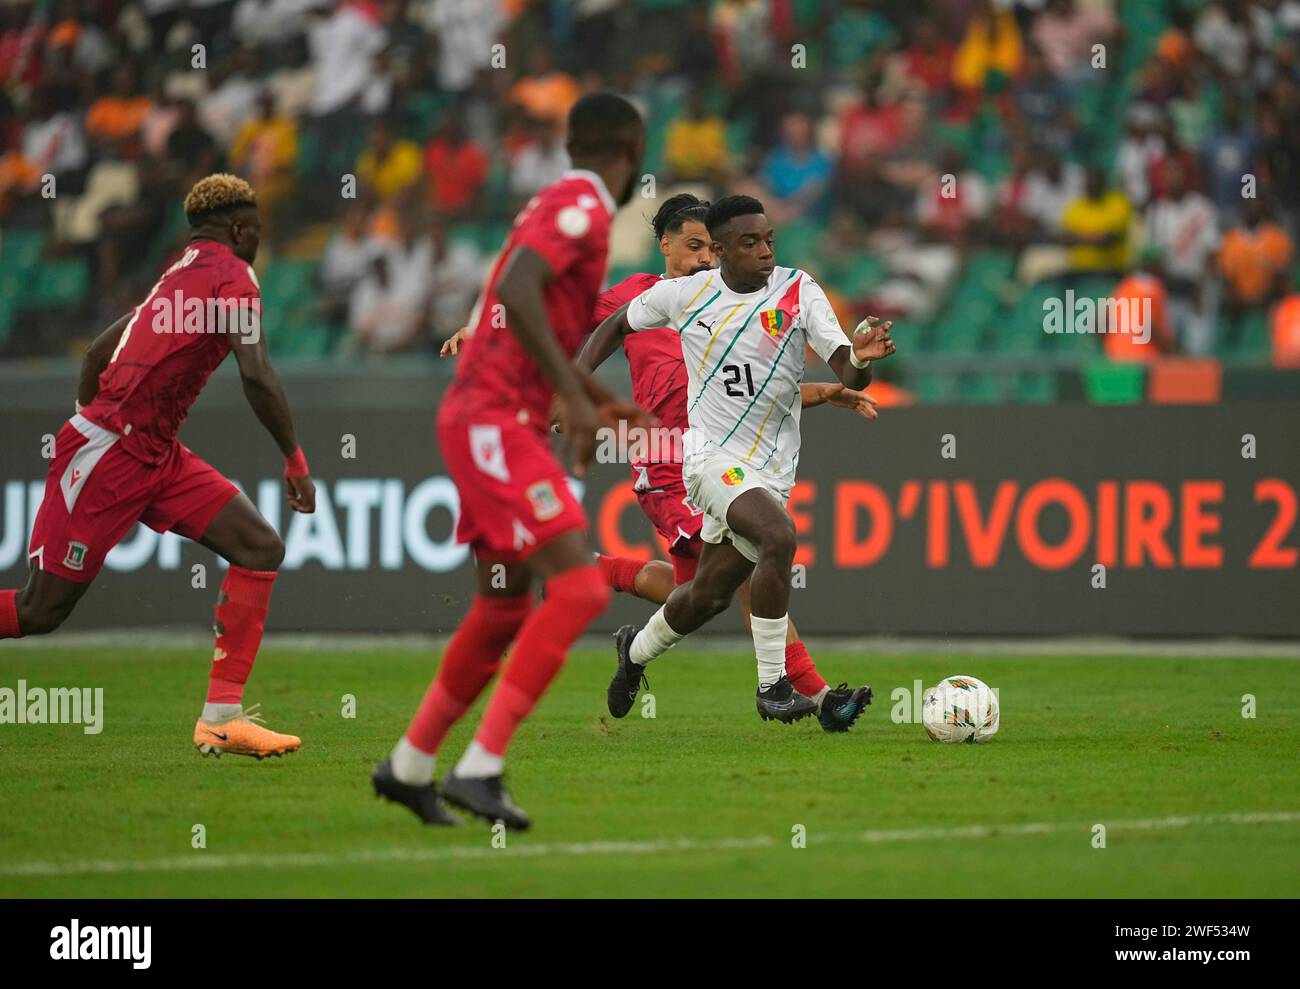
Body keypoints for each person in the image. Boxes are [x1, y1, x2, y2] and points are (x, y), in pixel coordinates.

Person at [372, 94, 651, 832]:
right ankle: (480, 766)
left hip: (495, 417)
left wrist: (595, 395)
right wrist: (575, 395)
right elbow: (522, 290)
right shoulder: (584, 205)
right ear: (630, 148)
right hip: (495, 423)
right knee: (582, 589)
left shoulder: (553, 202)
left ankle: (406, 766)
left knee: (501, 608)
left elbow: (517, 315)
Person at [0, 174, 317, 760]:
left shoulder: (178, 273)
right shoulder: (233, 276)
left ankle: (222, 719)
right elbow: (257, 373)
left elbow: (98, 351)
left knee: (258, 546)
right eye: (257, 232)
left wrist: (99, 419)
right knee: (39, 610)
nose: (259, 244)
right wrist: (294, 458)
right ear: (241, 229)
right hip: (113, 453)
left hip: (154, 453)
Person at [575, 193, 877, 732]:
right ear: (715, 248)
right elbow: (599, 323)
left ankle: (635, 652)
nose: (764, 252)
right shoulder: (674, 295)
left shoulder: (798, 290)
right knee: (777, 538)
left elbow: (843, 367)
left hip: (771, 471)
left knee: (705, 594)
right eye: (749, 242)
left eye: (768, 241)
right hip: (699, 460)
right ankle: (779, 687)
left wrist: (857, 362)